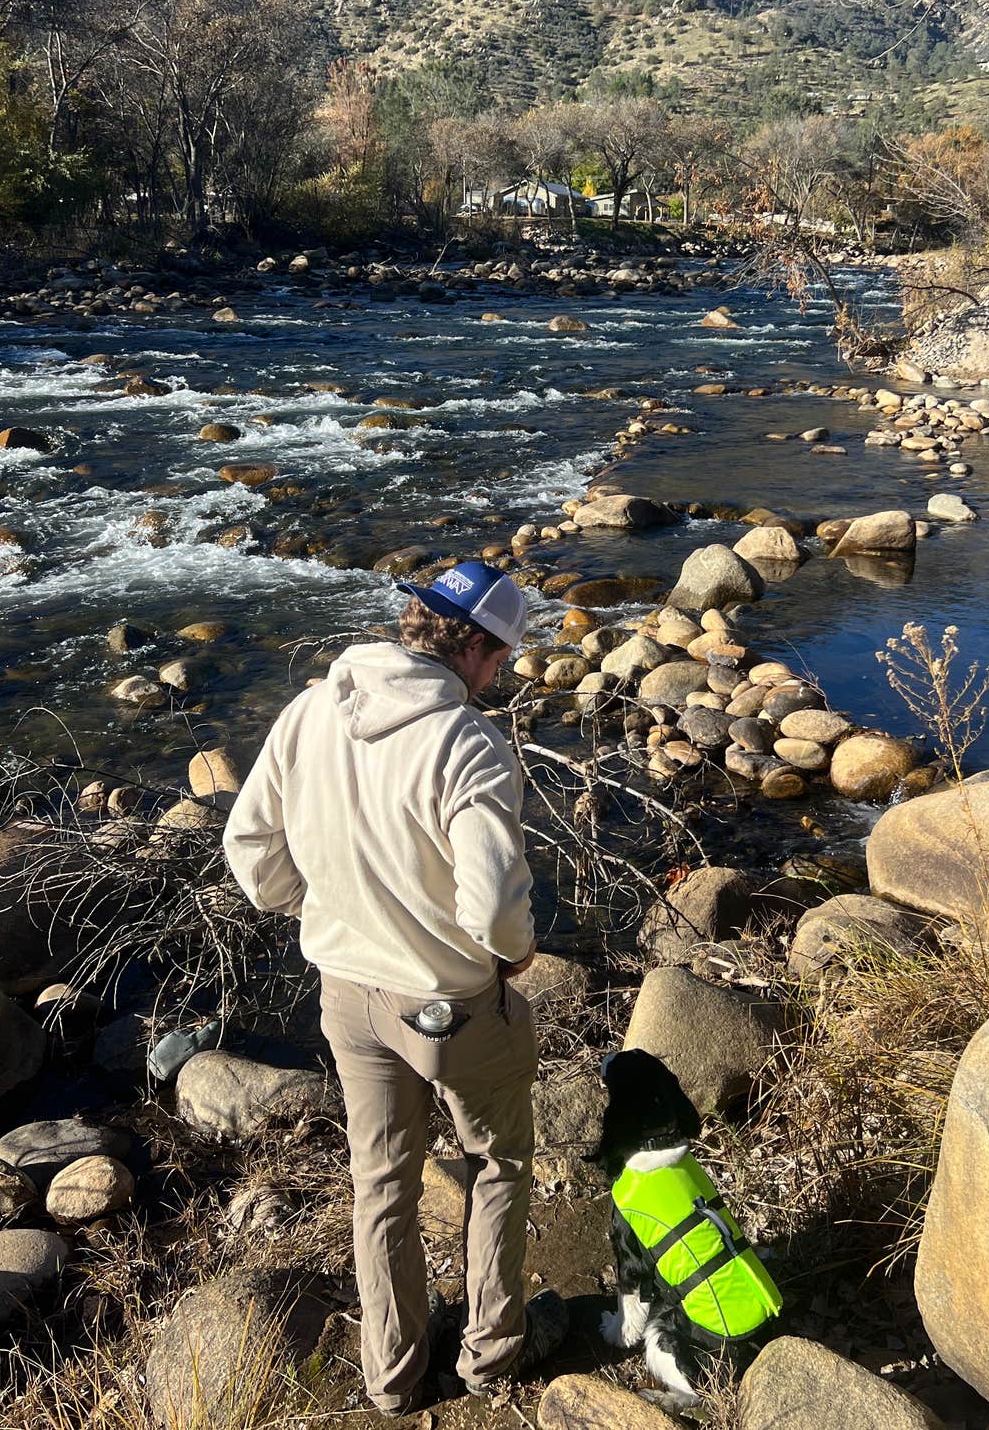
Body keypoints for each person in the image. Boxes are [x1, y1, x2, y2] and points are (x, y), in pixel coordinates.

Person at [223, 561, 567, 1416]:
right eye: (500, 662)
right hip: (449, 1007)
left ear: (415, 623)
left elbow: (252, 850)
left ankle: (394, 1378)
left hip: (345, 994)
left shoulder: (311, 711)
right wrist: (513, 960)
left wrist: (319, 906)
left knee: (382, 1188)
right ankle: (491, 1357)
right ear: (476, 648)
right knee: (499, 1162)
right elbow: (493, 906)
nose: (498, 679)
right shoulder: (466, 744)